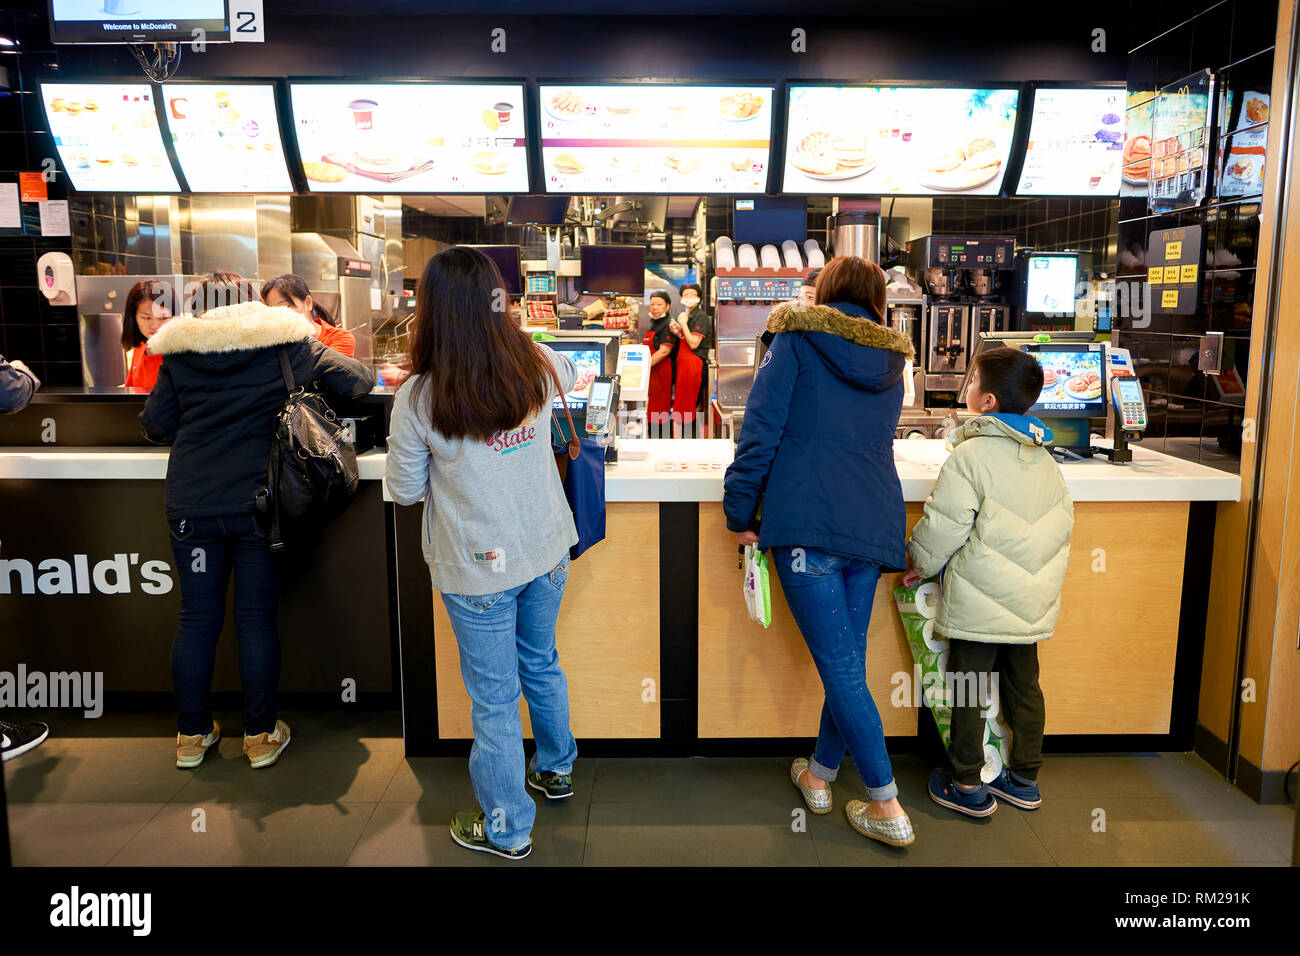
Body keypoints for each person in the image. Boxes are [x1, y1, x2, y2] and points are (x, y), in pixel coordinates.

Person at [385, 247, 580, 862]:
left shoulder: (419, 396)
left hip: (479, 568)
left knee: (495, 699)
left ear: (432, 309)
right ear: (498, 300)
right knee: (541, 663)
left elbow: (403, 490)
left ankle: (506, 827)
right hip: (547, 548)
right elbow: (578, 374)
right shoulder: (537, 362)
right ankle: (556, 768)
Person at [140, 274, 373, 771]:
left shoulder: (180, 353)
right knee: (254, 619)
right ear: (250, 304)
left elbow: (155, 425)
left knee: (196, 620)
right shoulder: (285, 344)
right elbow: (359, 379)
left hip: (192, 506)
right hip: (258, 506)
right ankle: (261, 736)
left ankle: (192, 736)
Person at [723, 255, 917, 847]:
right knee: (847, 669)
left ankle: (886, 805)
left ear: (823, 291)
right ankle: (820, 773)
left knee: (841, 671)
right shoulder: (892, 360)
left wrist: (738, 510)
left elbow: (761, 431)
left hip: (809, 523)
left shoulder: (795, 340)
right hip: (873, 522)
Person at [904, 347, 1074, 817]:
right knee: (1025, 689)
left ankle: (966, 784)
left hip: (978, 602)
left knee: (967, 688)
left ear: (988, 402)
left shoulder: (970, 455)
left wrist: (920, 561)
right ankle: (1025, 779)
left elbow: (943, 527)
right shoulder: (1046, 459)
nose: (968, 388)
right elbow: (1061, 528)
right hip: (1031, 601)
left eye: (973, 380)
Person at [261, 273, 358, 358]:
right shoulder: (273, 342)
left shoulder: (340, 338)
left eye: (287, 307)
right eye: (273, 311)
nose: (281, 316)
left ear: (308, 303)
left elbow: (324, 370)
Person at [668, 282, 713, 431]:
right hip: (683, 367)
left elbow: (693, 343)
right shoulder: (686, 315)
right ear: (681, 298)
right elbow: (686, 339)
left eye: (692, 294)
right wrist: (678, 331)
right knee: (683, 406)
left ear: (699, 298)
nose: (689, 297)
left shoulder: (701, 317)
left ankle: (692, 440)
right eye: (686, 295)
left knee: (691, 406)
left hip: (695, 366)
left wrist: (683, 324)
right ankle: (685, 439)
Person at [121, 279, 173, 391]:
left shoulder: (181, 356)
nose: (154, 325)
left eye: (163, 318)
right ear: (133, 317)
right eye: (146, 317)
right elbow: (129, 393)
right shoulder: (141, 348)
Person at [642, 290, 676, 429]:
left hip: (663, 373)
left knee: (660, 410)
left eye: (659, 304)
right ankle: (652, 436)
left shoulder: (668, 324)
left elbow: (664, 351)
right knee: (652, 408)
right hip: (652, 373)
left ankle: (662, 440)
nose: (655, 307)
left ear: (667, 306)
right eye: (652, 304)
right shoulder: (655, 322)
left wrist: (644, 365)